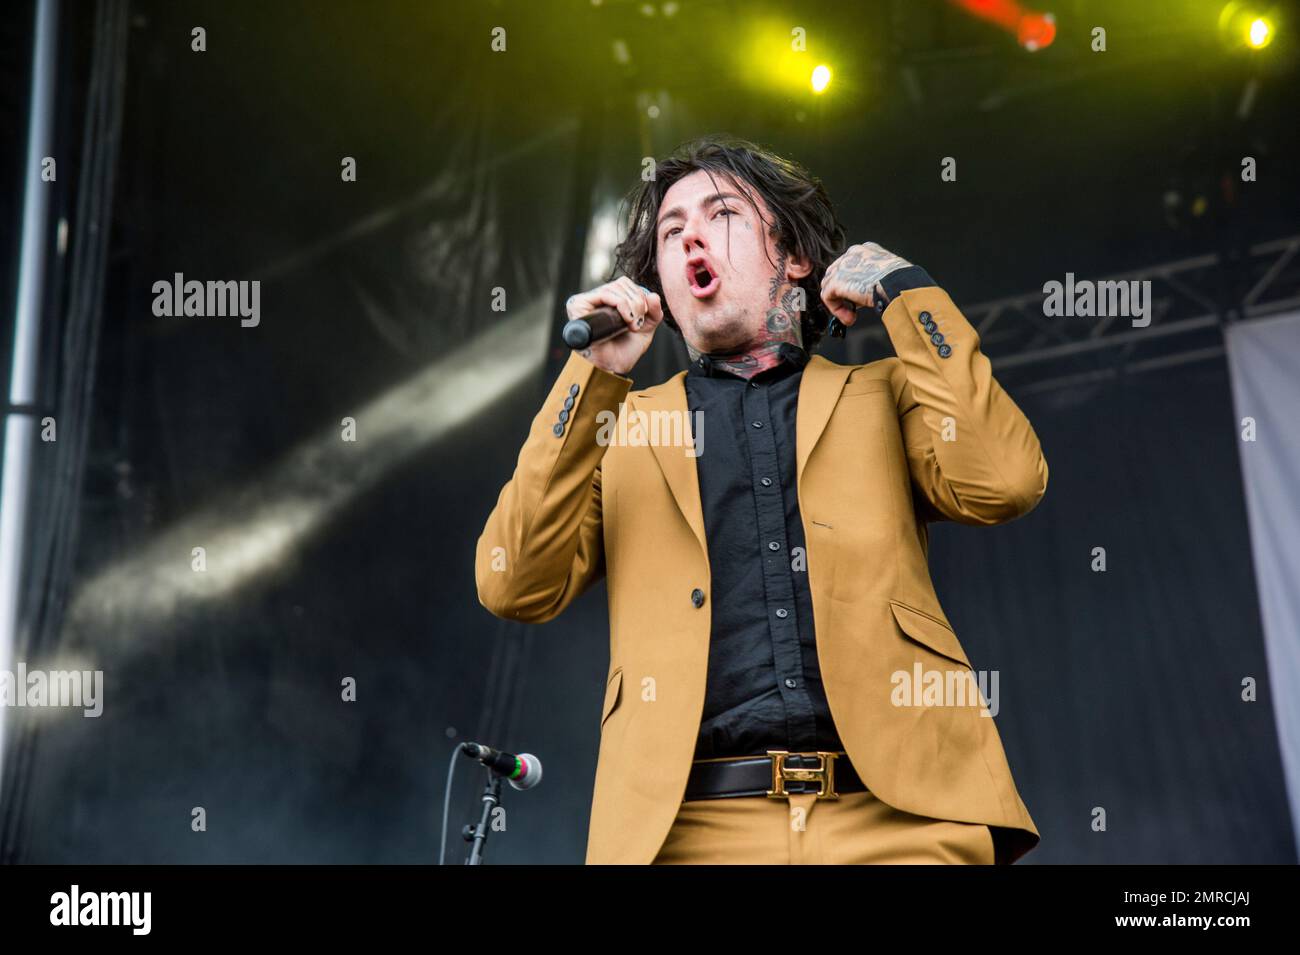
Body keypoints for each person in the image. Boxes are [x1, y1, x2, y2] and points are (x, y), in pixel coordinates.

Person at [475, 137, 1048, 864]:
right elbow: (512, 581)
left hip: (902, 818)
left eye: (720, 215)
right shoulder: (621, 429)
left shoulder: (879, 395)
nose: (691, 239)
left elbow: (1004, 479)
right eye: (672, 233)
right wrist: (588, 375)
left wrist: (908, 291)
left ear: (795, 258)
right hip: (693, 831)